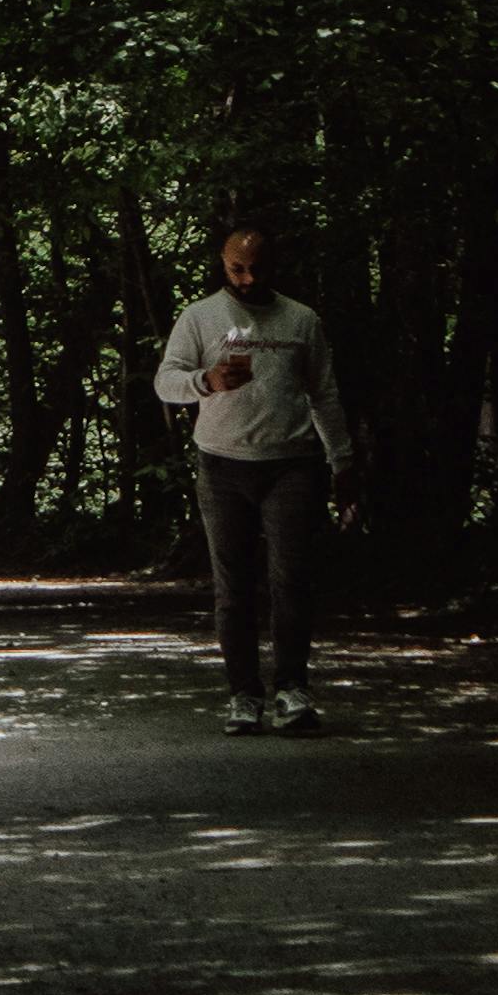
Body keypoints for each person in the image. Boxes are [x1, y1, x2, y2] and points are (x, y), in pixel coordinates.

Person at [154, 222, 359, 732]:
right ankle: (244, 695)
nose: (246, 279)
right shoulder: (201, 317)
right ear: (223, 265)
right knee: (233, 587)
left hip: (291, 464)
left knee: (291, 580)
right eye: (236, 269)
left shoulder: (301, 320)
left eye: (256, 268)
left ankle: (292, 689)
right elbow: (165, 381)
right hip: (222, 466)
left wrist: (343, 463)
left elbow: (324, 395)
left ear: (275, 265)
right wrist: (207, 380)